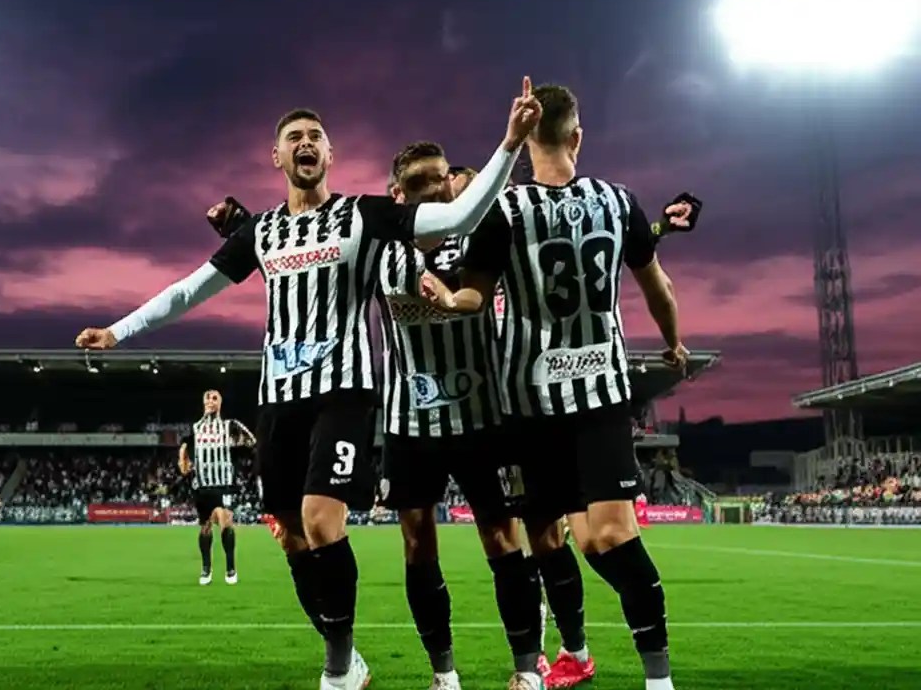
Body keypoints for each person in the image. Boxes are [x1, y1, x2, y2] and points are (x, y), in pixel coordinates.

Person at [76, 76, 542, 690]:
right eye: (293, 137)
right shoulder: (262, 233)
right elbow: (190, 289)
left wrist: (509, 144)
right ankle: (347, 659)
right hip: (279, 402)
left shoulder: (366, 216)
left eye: (316, 137)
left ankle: (337, 670)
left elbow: (457, 213)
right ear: (277, 156)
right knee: (292, 535)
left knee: (323, 520)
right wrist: (119, 331)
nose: (305, 143)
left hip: (344, 394)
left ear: (330, 155)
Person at [208, 154, 694, 690]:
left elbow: (568, 244)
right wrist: (244, 225)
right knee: (419, 547)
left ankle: (528, 668)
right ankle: (445, 673)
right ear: (398, 192)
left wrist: (656, 229)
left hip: (483, 417)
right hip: (408, 424)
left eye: (441, 178)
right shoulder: (378, 249)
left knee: (505, 542)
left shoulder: (483, 234)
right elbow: (309, 258)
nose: (435, 188)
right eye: (420, 182)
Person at [425, 84, 686, 690]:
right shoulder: (618, 201)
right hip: (590, 398)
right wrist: (673, 342)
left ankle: (655, 678)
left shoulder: (503, 212)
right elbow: (658, 289)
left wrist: (448, 300)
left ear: (525, 146)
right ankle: (589, 658)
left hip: (532, 402)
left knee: (590, 538)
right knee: (586, 539)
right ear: (577, 137)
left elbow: (473, 296)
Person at [178, 388, 256, 585]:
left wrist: (239, 448)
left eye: (215, 398)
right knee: (205, 527)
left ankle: (230, 568)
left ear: (220, 403)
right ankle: (206, 569)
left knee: (225, 522)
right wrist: (183, 462)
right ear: (204, 403)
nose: (211, 401)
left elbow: (251, 441)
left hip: (224, 483)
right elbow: (185, 446)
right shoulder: (195, 427)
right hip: (202, 484)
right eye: (207, 398)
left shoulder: (230, 425)